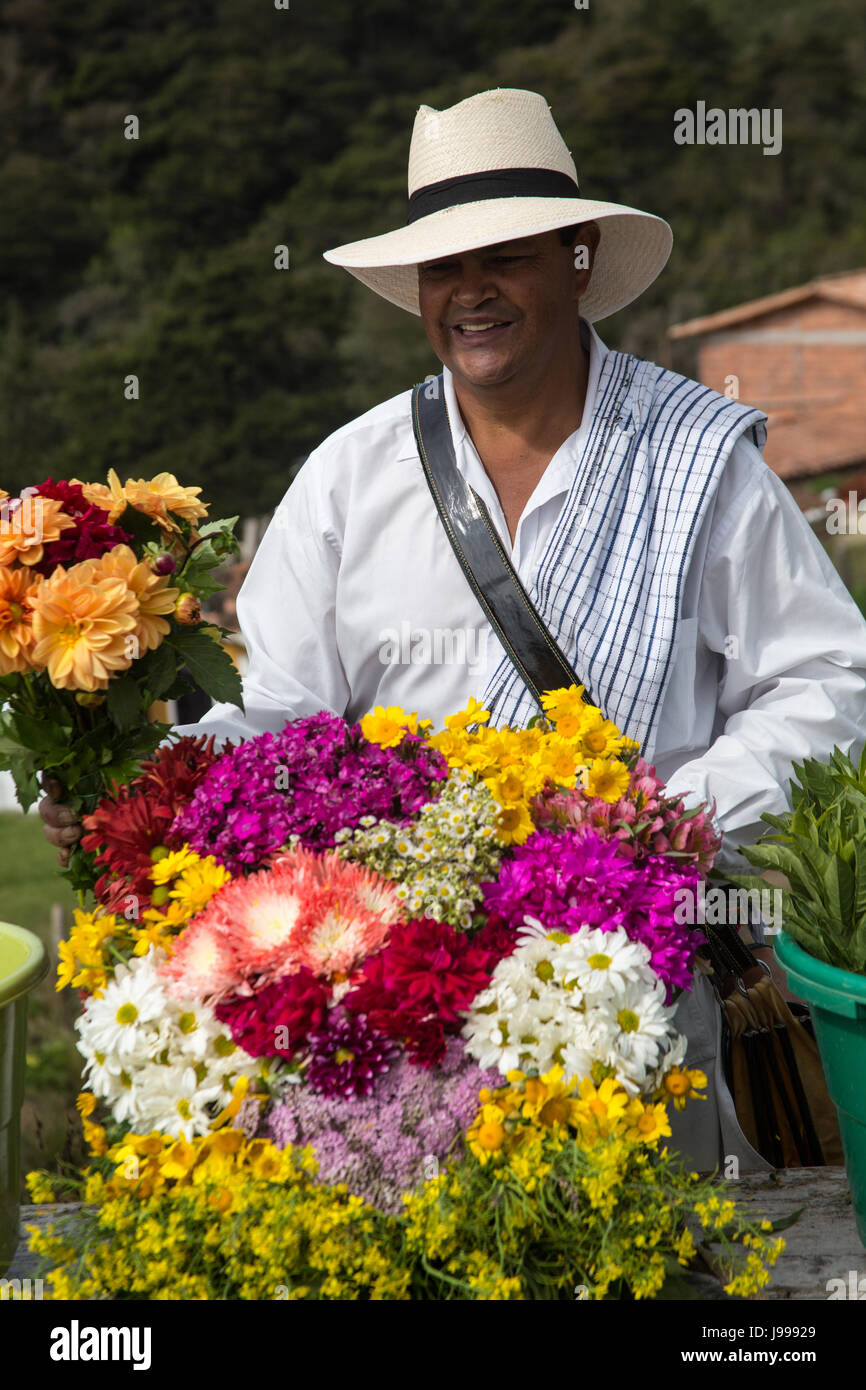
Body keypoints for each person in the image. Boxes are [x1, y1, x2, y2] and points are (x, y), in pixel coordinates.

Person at [41, 87, 866, 1171]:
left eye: (506, 257)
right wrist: (136, 792)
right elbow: (279, 717)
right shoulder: (347, 477)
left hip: (632, 991)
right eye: (443, 266)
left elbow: (827, 681)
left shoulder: (694, 461)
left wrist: (662, 823)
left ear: (577, 256)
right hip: (397, 1019)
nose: (469, 292)